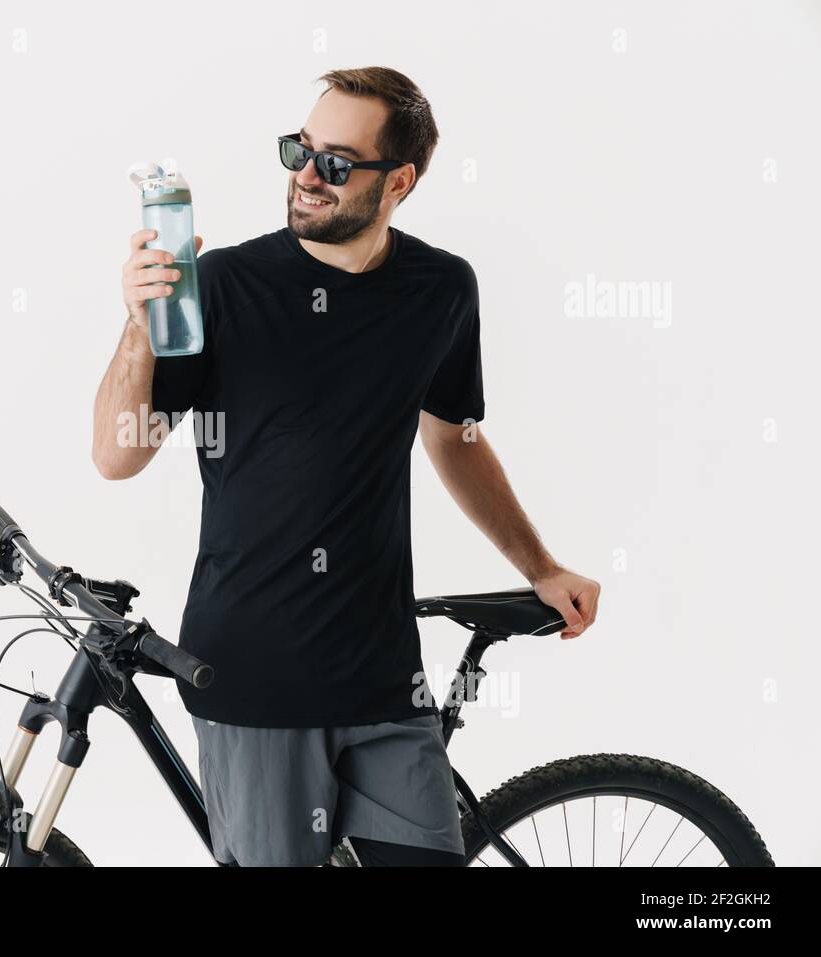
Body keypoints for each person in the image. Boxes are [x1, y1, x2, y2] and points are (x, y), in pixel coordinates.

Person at [91, 67, 600, 867]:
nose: (304, 174)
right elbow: (118, 455)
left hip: (384, 674)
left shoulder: (440, 289)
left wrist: (539, 564)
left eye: (334, 161)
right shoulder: (224, 284)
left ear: (399, 180)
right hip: (253, 673)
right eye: (299, 149)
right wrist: (138, 327)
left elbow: (454, 438)